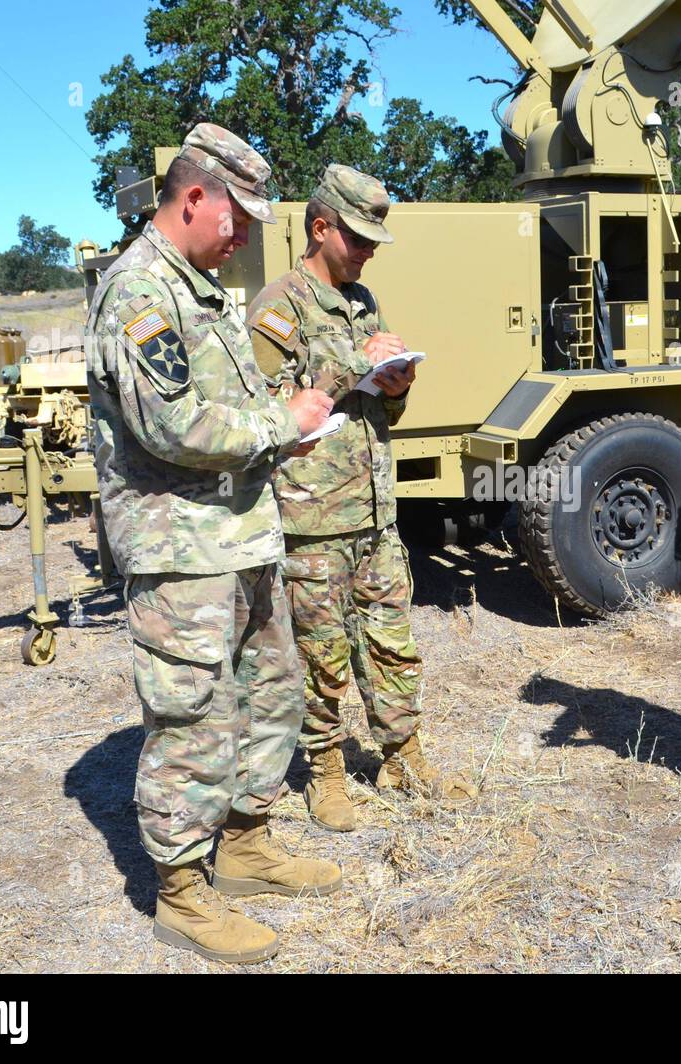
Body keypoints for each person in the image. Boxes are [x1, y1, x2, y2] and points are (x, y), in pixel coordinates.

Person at [86, 123, 342, 963]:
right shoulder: (139, 293)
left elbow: (233, 406)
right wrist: (281, 422)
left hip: (241, 538)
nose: (246, 235)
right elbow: (173, 425)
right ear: (194, 197)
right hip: (181, 553)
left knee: (269, 693)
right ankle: (183, 893)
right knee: (191, 719)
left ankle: (245, 844)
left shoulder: (201, 287)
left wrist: (296, 414)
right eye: (239, 217)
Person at [246, 164, 477, 833]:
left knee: (391, 644)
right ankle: (324, 771)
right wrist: (354, 365)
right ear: (320, 227)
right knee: (322, 655)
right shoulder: (277, 308)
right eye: (358, 236)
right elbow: (267, 417)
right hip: (312, 521)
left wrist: (397, 384)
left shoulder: (362, 300)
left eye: (377, 237)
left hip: (376, 512)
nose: (370, 249)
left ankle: (403, 757)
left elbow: (377, 413)